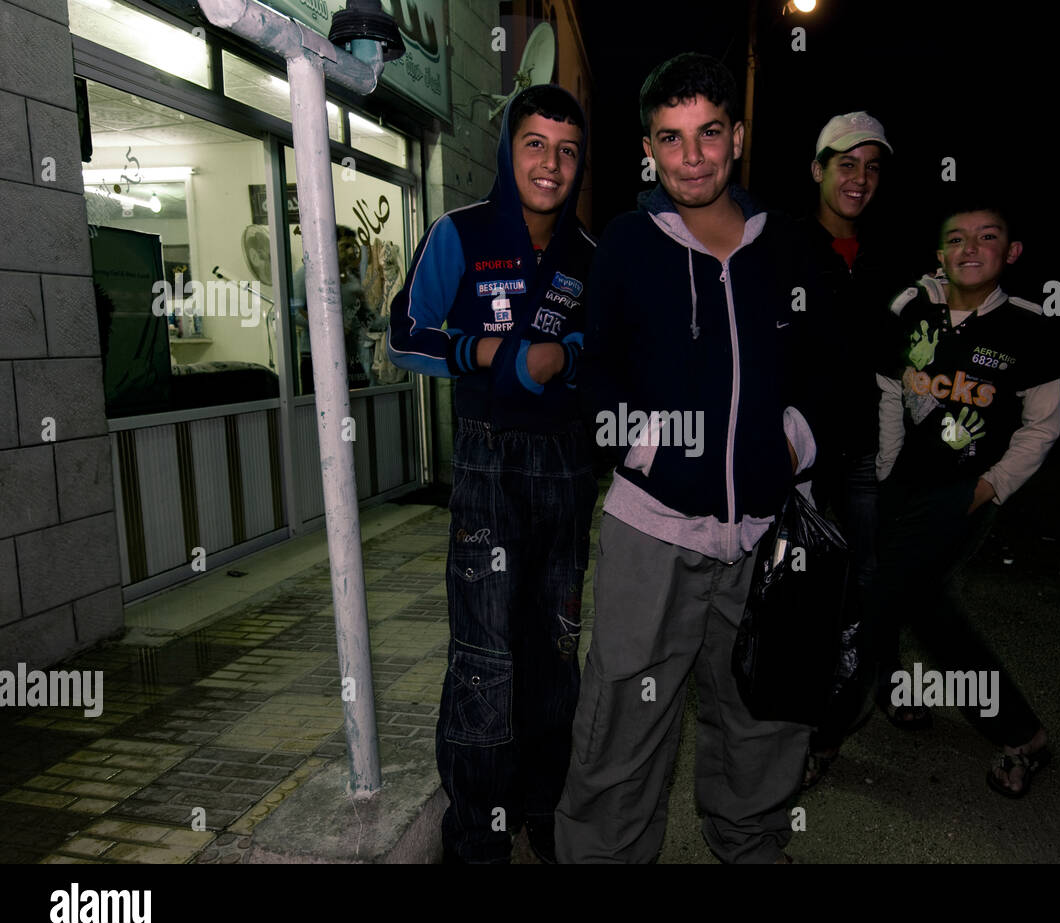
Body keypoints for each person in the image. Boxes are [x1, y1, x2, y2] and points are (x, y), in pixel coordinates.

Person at [556, 52, 822, 863]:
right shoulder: (627, 247)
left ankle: (751, 846)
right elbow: (592, 375)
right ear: (649, 149)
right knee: (623, 724)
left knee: (764, 719)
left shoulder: (791, 246)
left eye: (709, 133)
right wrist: (646, 444)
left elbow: (826, 368)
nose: (693, 156)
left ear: (736, 137)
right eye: (671, 140)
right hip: (652, 532)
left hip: (765, 539)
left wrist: (795, 441)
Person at [385, 84, 597, 862]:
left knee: (554, 646)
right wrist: (485, 352)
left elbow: (603, 359)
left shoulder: (589, 256)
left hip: (568, 467)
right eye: (535, 144)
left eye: (567, 149)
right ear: (510, 150)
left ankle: (542, 805)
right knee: (486, 653)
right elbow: (403, 335)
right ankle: (478, 833)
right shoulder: (462, 233)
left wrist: (565, 357)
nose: (551, 163)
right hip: (488, 458)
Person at [874, 200, 1060, 797]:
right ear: (940, 254)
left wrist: (988, 487)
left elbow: (1042, 426)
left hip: (965, 493)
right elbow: (888, 390)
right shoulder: (913, 309)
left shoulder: (1029, 326)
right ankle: (1013, 731)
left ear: (1011, 252)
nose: (971, 248)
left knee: (891, 598)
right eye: (956, 239)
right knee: (922, 606)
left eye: (987, 237)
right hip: (901, 483)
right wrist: (884, 470)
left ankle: (820, 739)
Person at [797, 111, 911, 789]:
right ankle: (811, 719)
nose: (859, 179)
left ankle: (879, 686)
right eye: (846, 163)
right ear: (819, 169)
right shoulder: (785, 244)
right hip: (803, 453)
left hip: (869, 450)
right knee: (808, 588)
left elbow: (906, 351)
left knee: (873, 578)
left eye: (872, 167)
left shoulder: (889, 255)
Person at [292, 225, 372, 393]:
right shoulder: (307, 274)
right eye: (345, 246)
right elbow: (292, 312)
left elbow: (367, 317)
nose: (351, 252)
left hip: (349, 356)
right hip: (316, 357)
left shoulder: (350, 280)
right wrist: (330, 327)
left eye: (353, 246)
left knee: (359, 403)